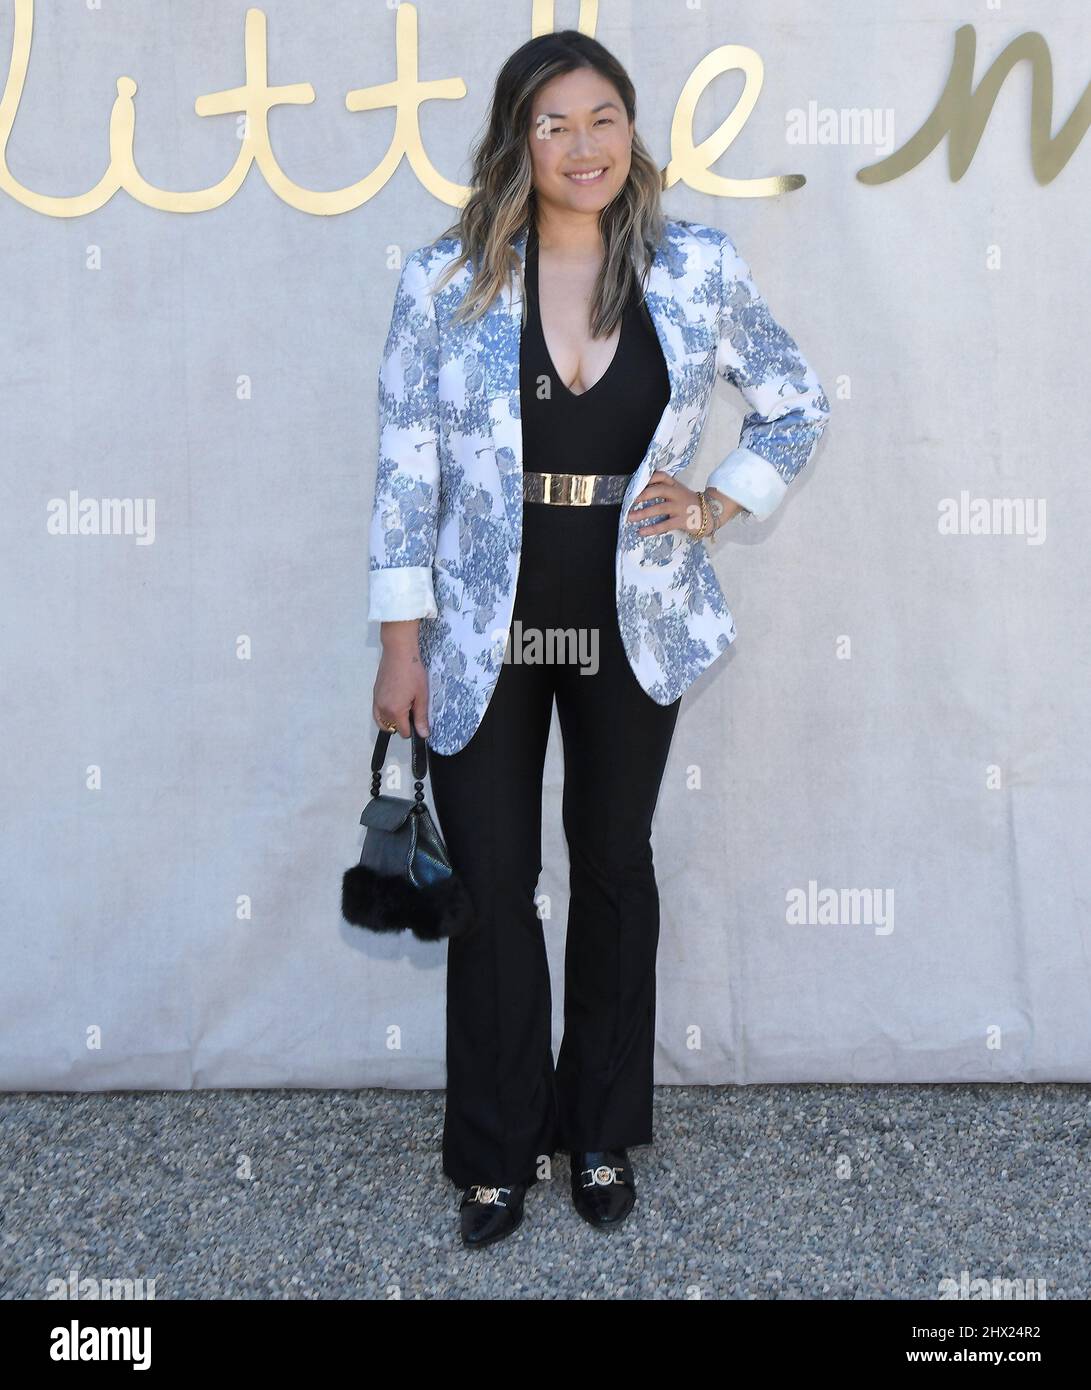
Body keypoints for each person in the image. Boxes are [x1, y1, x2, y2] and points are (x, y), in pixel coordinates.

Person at [368, 29, 831, 1249]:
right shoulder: (445, 278)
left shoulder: (695, 268)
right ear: (515, 140)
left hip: (635, 612)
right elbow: (403, 469)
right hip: (482, 619)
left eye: (605, 119)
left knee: (613, 871)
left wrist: (719, 501)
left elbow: (794, 398)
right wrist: (399, 641)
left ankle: (598, 1132)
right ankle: (494, 1150)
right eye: (554, 123)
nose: (584, 146)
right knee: (491, 887)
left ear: (633, 130)